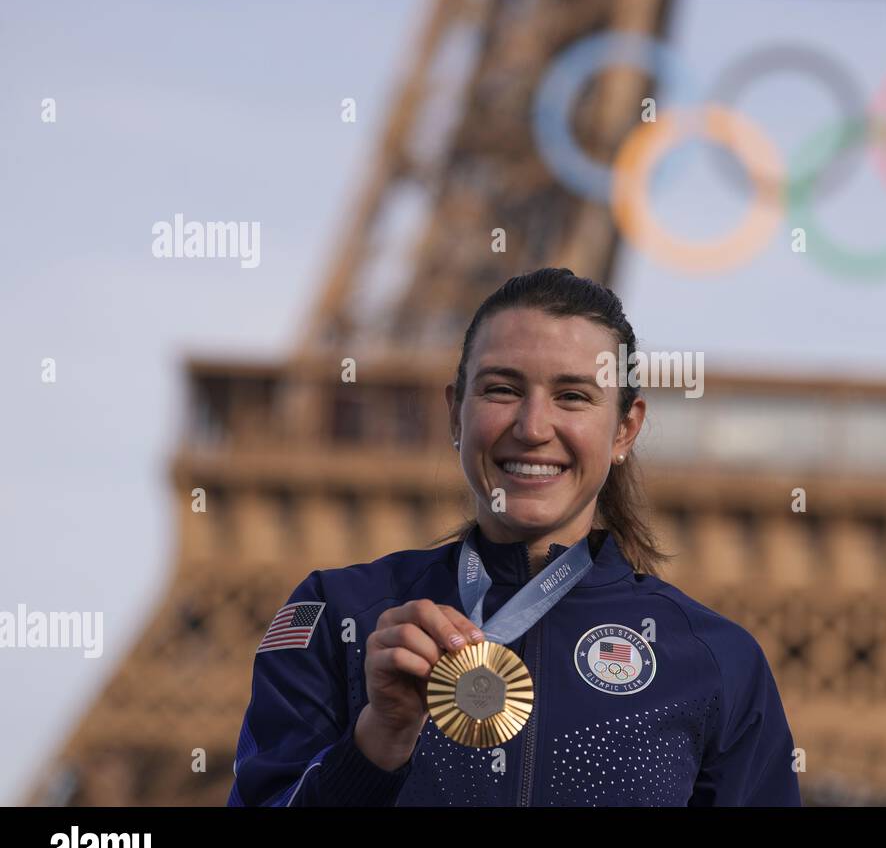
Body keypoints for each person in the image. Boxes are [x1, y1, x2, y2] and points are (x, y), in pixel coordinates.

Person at [227, 267, 801, 806]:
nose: (531, 428)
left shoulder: (720, 662)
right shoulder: (336, 615)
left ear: (625, 429)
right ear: (455, 414)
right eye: (502, 389)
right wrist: (378, 741)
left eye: (573, 396)